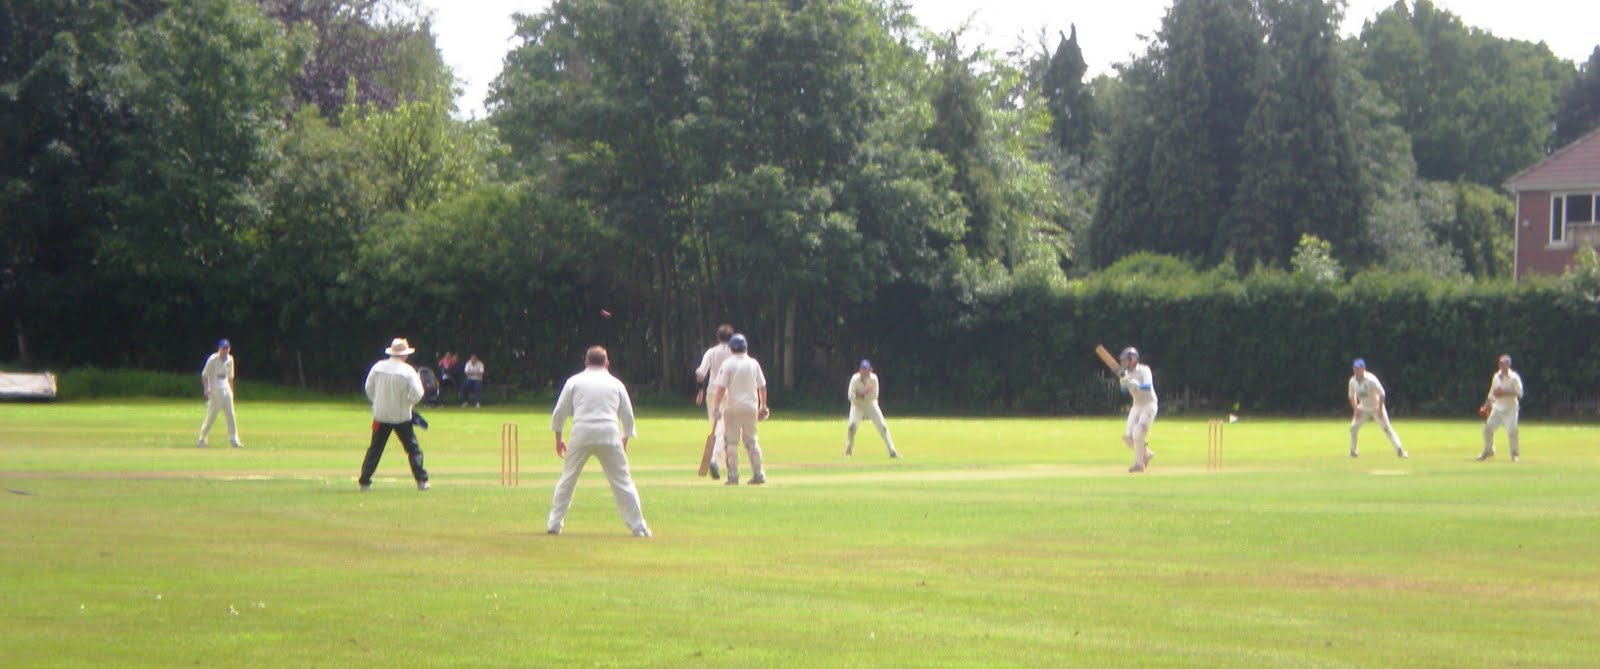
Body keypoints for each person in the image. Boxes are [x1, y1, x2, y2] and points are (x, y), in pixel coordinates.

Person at [547, 346, 650, 537]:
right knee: (623, 482)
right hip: (609, 433)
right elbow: (627, 414)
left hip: (582, 432)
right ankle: (639, 528)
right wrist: (625, 437)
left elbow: (560, 411)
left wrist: (559, 438)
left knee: (568, 479)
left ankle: (554, 524)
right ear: (607, 363)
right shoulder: (616, 383)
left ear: (586, 362)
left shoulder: (574, 381)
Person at [358, 338, 431, 491]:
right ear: (404, 355)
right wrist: (409, 403)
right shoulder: (407, 371)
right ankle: (421, 481)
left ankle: (364, 481)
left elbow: (368, 388)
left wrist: (377, 402)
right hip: (401, 417)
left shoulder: (378, 367)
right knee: (413, 450)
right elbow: (418, 393)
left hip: (381, 415)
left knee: (375, 449)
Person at [713, 334, 769, 485]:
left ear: (731, 348)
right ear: (746, 347)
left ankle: (733, 476)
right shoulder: (753, 363)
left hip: (733, 407)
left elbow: (721, 389)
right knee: (752, 441)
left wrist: (715, 407)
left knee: (731, 442)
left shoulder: (728, 364)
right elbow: (762, 387)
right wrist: (763, 406)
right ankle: (758, 474)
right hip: (751, 407)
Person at [693, 324, 735, 479]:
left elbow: (701, 373)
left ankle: (717, 460)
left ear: (718, 337)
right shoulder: (734, 353)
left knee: (715, 424)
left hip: (712, 392)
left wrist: (699, 391)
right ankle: (715, 459)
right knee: (724, 427)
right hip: (729, 393)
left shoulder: (711, 352)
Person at [1348, 358, 1408, 459]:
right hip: (1363, 408)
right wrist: (1356, 409)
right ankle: (1353, 452)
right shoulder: (1352, 381)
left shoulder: (1371, 379)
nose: (1356, 370)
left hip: (1376, 407)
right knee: (1353, 428)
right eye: (1354, 368)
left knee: (1387, 429)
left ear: (1363, 368)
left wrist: (1380, 409)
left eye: (1358, 368)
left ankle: (1400, 451)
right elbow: (1351, 395)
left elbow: (1382, 393)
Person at [845, 359, 899, 458]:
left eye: (866, 369)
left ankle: (892, 451)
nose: (865, 371)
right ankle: (848, 451)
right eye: (863, 369)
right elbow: (850, 396)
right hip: (857, 406)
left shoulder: (874, 379)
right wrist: (864, 394)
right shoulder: (855, 379)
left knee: (883, 427)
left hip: (871, 405)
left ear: (870, 370)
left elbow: (874, 395)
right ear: (860, 370)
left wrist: (860, 394)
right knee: (851, 427)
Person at [1477, 354, 1524, 462]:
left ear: (1508, 364)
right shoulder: (1496, 376)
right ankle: (1489, 450)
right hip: (1497, 408)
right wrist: (1485, 406)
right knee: (1487, 429)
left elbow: (1520, 393)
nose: (1501, 365)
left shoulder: (1514, 377)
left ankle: (1514, 454)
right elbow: (1491, 394)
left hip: (1511, 409)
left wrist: (1504, 392)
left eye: (1503, 363)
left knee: (1512, 431)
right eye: (1500, 363)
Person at [1117, 347, 1157, 473]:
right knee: (1128, 437)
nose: (1123, 363)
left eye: (1125, 360)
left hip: (1149, 404)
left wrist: (1136, 385)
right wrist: (1124, 384)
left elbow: (1148, 386)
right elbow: (1124, 392)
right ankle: (1146, 453)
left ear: (1133, 359)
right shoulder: (1126, 373)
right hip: (1137, 406)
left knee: (1138, 432)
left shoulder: (1144, 370)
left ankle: (1139, 465)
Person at [195, 338, 241, 449]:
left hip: (226, 391)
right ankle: (202, 438)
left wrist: (232, 392)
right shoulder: (212, 359)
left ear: (229, 349)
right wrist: (206, 389)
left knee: (231, 415)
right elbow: (204, 375)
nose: (225, 351)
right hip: (215, 392)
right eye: (223, 348)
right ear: (219, 349)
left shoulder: (230, 359)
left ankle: (234, 440)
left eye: (226, 348)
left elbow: (230, 377)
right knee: (211, 416)